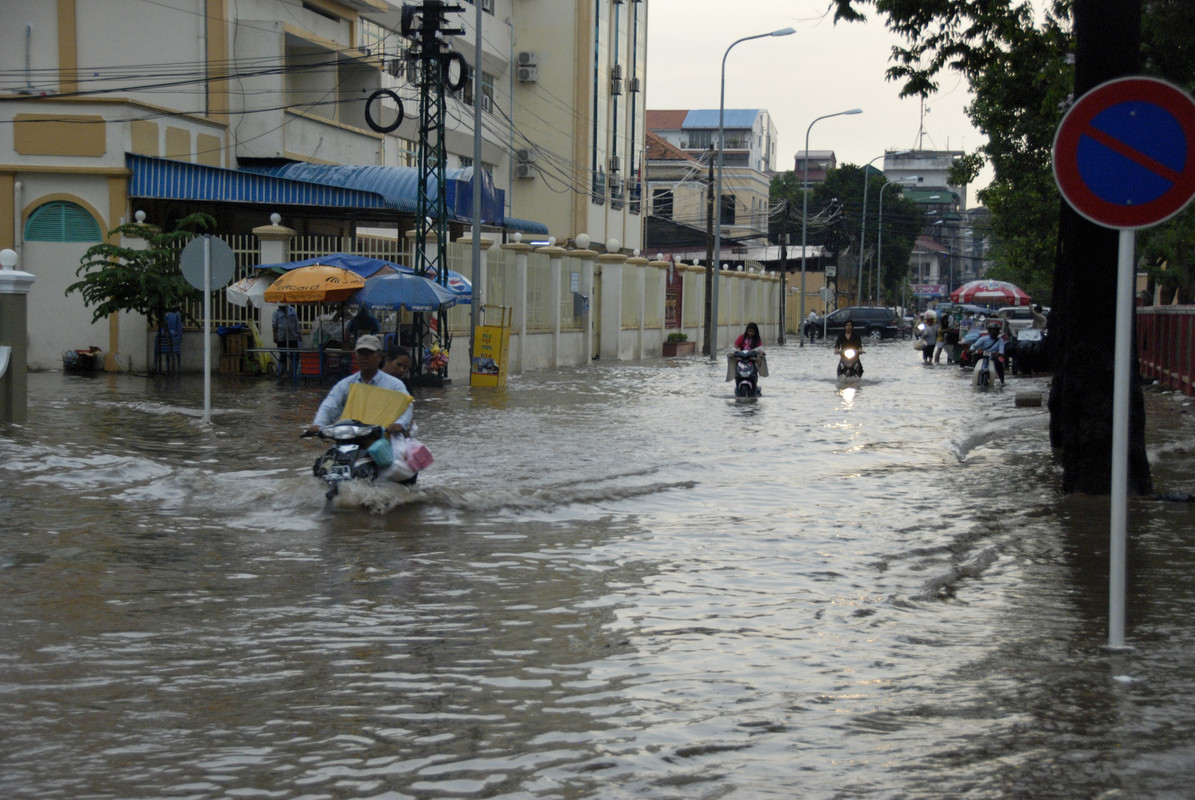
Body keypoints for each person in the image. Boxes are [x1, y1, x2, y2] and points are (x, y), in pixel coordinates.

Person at [306, 334, 413, 437]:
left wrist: (400, 424)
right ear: (355, 355)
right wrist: (319, 424)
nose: (364, 358)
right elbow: (330, 406)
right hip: (349, 438)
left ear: (379, 356)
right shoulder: (346, 384)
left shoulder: (395, 385)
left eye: (369, 353)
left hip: (382, 440)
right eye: (361, 353)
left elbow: (407, 406)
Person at [271, 304, 302, 376]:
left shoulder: (292, 311)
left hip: (292, 337)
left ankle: (295, 373)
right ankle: (284, 372)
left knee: (295, 356)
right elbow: (274, 326)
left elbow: (296, 323)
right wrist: (275, 336)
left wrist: (298, 333)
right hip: (281, 338)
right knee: (283, 356)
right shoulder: (276, 313)